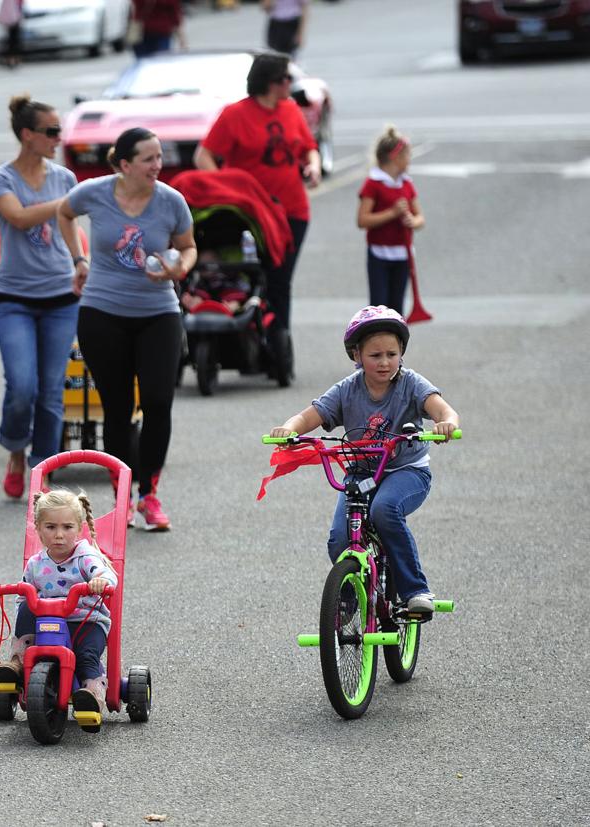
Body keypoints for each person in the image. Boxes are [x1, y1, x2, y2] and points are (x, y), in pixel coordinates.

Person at [268, 305, 460, 614]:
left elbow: (443, 409)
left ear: (401, 353)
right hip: (362, 474)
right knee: (339, 538)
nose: (385, 362)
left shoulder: (411, 384)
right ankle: (349, 597)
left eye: (392, 354)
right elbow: (310, 416)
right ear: (357, 356)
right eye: (375, 355)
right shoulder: (347, 390)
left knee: (385, 511)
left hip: (406, 471)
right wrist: (289, 429)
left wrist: (446, 423)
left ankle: (415, 590)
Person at [57, 127, 196, 532]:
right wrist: (78, 261)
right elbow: (64, 213)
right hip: (102, 313)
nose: (158, 165)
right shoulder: (94, 192)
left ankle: (149, 494)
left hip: (158, 314)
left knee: (157, 402)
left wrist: (180, 267)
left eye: (159, 157)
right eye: (149, 159)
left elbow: (188, 245)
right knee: (117, 409)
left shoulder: (171, 201)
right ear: (124, 165)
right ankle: (124, 496)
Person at [194, 51, 321, 372]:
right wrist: (225, 186)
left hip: (291, 209)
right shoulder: (235, 114)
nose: (290, 84)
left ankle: (277, 345)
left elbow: (308, 148)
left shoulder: (290, 110)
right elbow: (204, 156)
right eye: (284, 79)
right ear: (269, 82)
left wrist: (314, 167)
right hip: (250, 213)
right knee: (243, 273)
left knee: (279, 280)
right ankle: (245, 339)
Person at [0, 96, 79, 499]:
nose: (60, 139)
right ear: (28, 135)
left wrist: (80, 260)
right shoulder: (0, 179)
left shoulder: (64, 178)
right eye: (52, 131)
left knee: (51, 390)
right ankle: (15, 450)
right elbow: (19, 217)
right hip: (14, 298)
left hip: (61, 294)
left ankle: (42, 475)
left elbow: (70, 228)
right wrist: (70, 203)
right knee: (22, 386)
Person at [0, 489, 118, 716]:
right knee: (26, 603)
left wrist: (100, 581)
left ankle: (91, 693)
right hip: (48, 621)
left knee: (86, 656)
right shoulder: (36, 563)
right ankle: (19, 660)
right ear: (38, 530)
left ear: (79, 529)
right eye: (51, 527)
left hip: (85, 621)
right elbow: (23, 594)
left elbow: (107, 575)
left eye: (67, 527)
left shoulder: (85, 557)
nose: (59, 535)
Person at [357, 126, 424, 315]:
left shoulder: (406, 183)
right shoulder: (373, 184)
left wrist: (413, 221)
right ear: (396, 157)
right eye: (407, 156)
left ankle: (395, 344)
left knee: (396, 308)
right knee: (378, 308)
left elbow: (420, 218)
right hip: (379, 254)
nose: (409, 160)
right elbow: (362, 220)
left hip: (403, 255)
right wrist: (392, 213)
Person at [0, 0, 23, 69]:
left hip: (13, 22)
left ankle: (14, 59)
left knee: (14, 42)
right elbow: (9, 10)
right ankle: (12, 60)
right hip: (13, 22)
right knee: (12, 42)